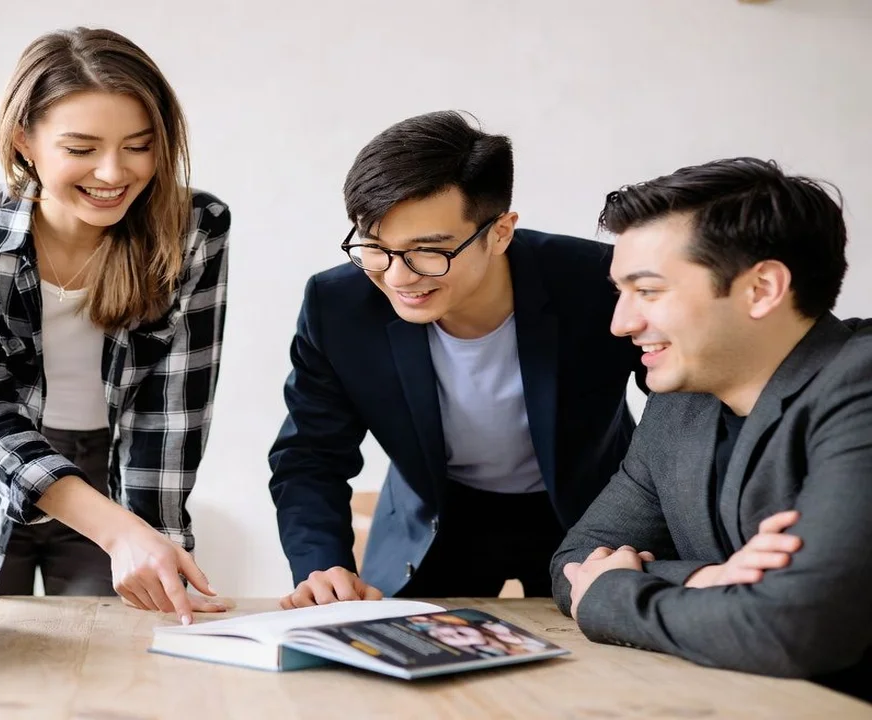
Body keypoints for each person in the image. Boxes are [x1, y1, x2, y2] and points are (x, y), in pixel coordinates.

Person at [269, 111, 644, 608]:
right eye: (376, 247)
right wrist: (322, 565)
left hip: (587, 515)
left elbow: (681, 412)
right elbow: (310, 454)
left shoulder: (597, 284)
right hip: (438, 521)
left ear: (500, 233)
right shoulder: (336, 305)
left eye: (429, 251)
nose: (399, 278)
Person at [0, 27, 229, 624]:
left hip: (114, 476)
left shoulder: (195, 229)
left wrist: (156, 546)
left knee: (120, 648)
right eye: (81, 149)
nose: (113, 173)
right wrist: (119, 531)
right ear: (24, 142)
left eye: (139, 146)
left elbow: (171, 412)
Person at [552, 157, 871, 701]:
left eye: (648, 291)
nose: (621, 323)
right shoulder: (677, 407)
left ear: (761, 288)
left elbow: (800, 629)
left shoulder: (859, 386)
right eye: (619, 293)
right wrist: (706, 579)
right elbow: (575, 563)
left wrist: (617, 595)